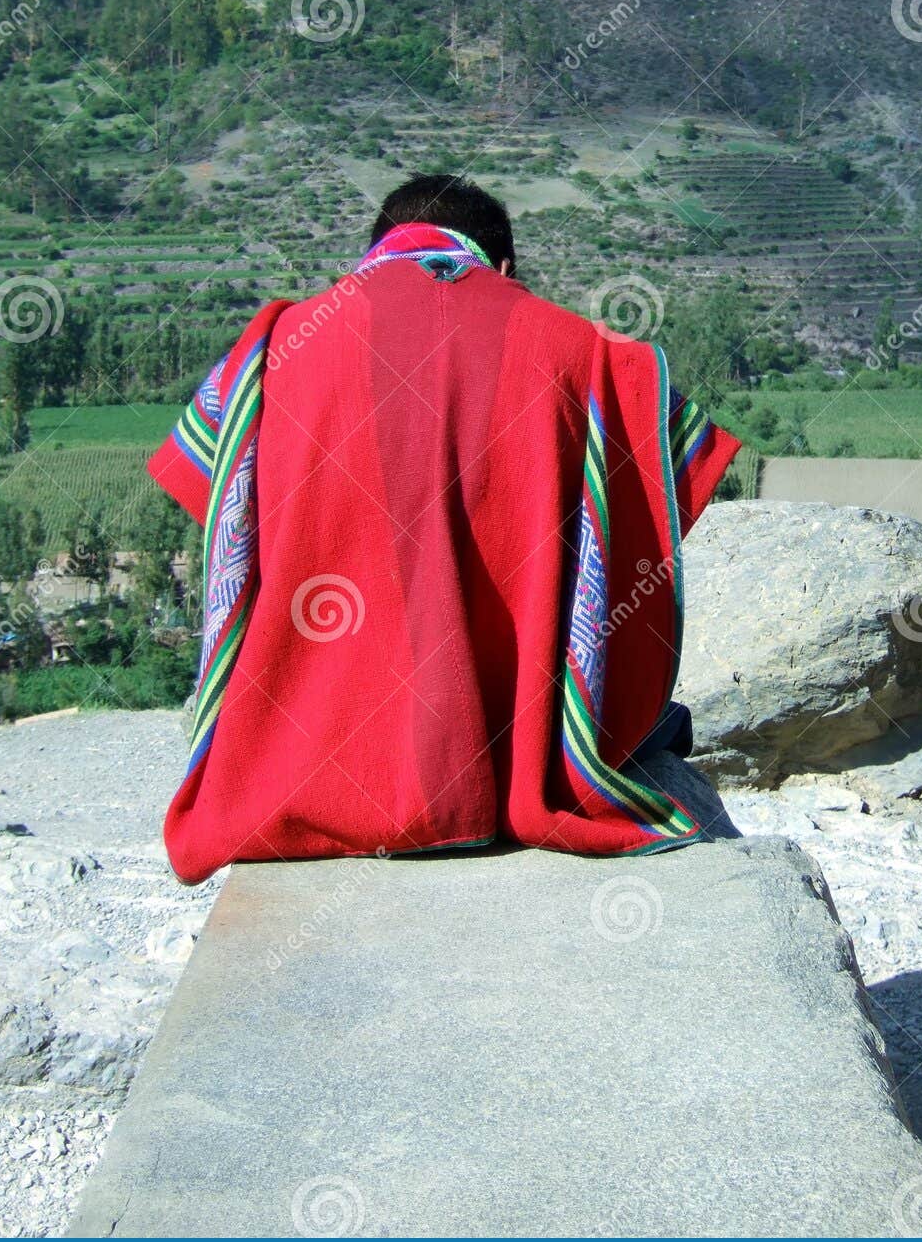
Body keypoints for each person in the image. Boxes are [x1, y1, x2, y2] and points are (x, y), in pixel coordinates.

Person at [147, 174, 740, 883]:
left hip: (302, 772)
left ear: (372, 254)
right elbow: (661, 496)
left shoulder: (268, 352)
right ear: (504, 267)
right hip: (518, 758)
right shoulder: (591, 354)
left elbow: (219, 514)